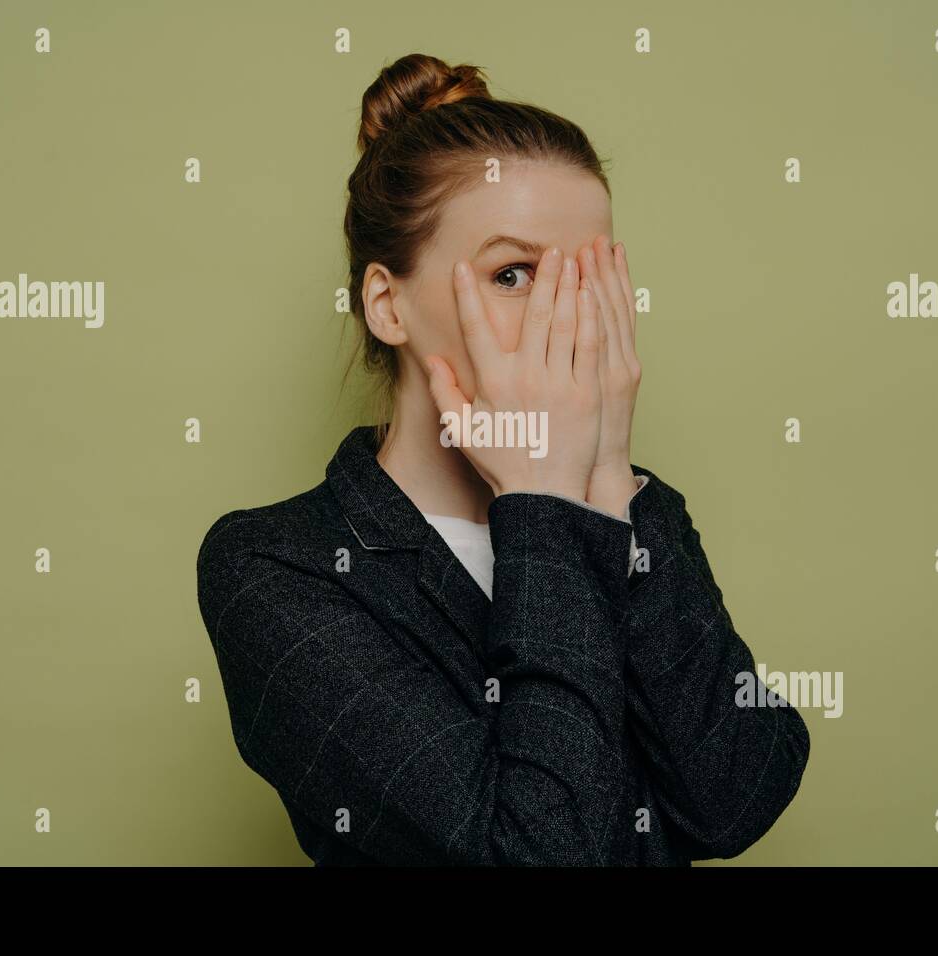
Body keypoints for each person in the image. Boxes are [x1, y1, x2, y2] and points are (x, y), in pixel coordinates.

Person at [196, 53, 810, 866]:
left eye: (587, 280)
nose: (568, 321)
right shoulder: (278, 566)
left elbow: (735, 801)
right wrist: (546, 505)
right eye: (513, 273)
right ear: (389, 305)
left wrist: (606, 481)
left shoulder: (637, 511)